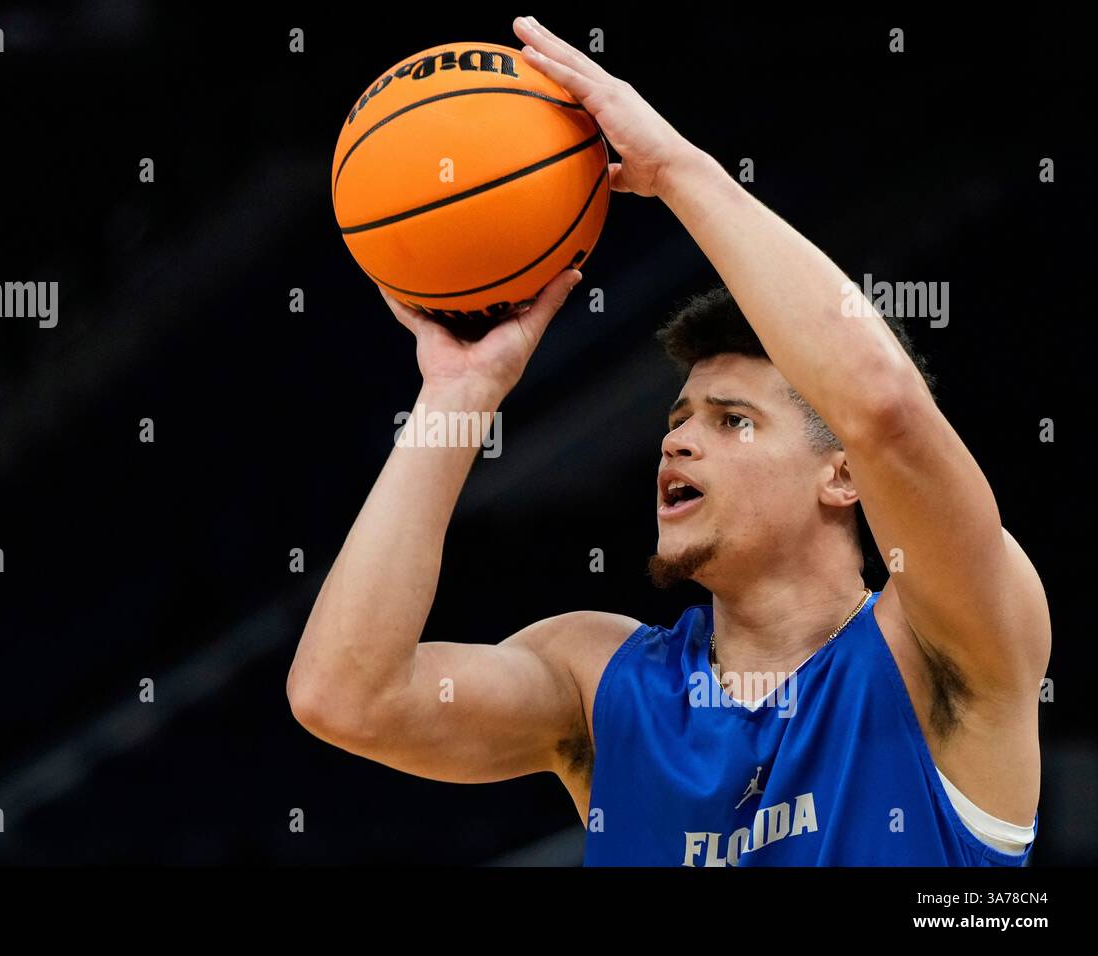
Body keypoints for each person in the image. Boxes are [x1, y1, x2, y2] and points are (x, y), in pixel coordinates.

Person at [287, 16, 1049, 865]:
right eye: (678, 421)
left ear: (843, 474)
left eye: (732, 420)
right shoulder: (600, 679)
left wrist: (680, 171)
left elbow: (883, 408)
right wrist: (457, 395)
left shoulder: (943, 642)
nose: (677, 447)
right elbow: (344, 697)